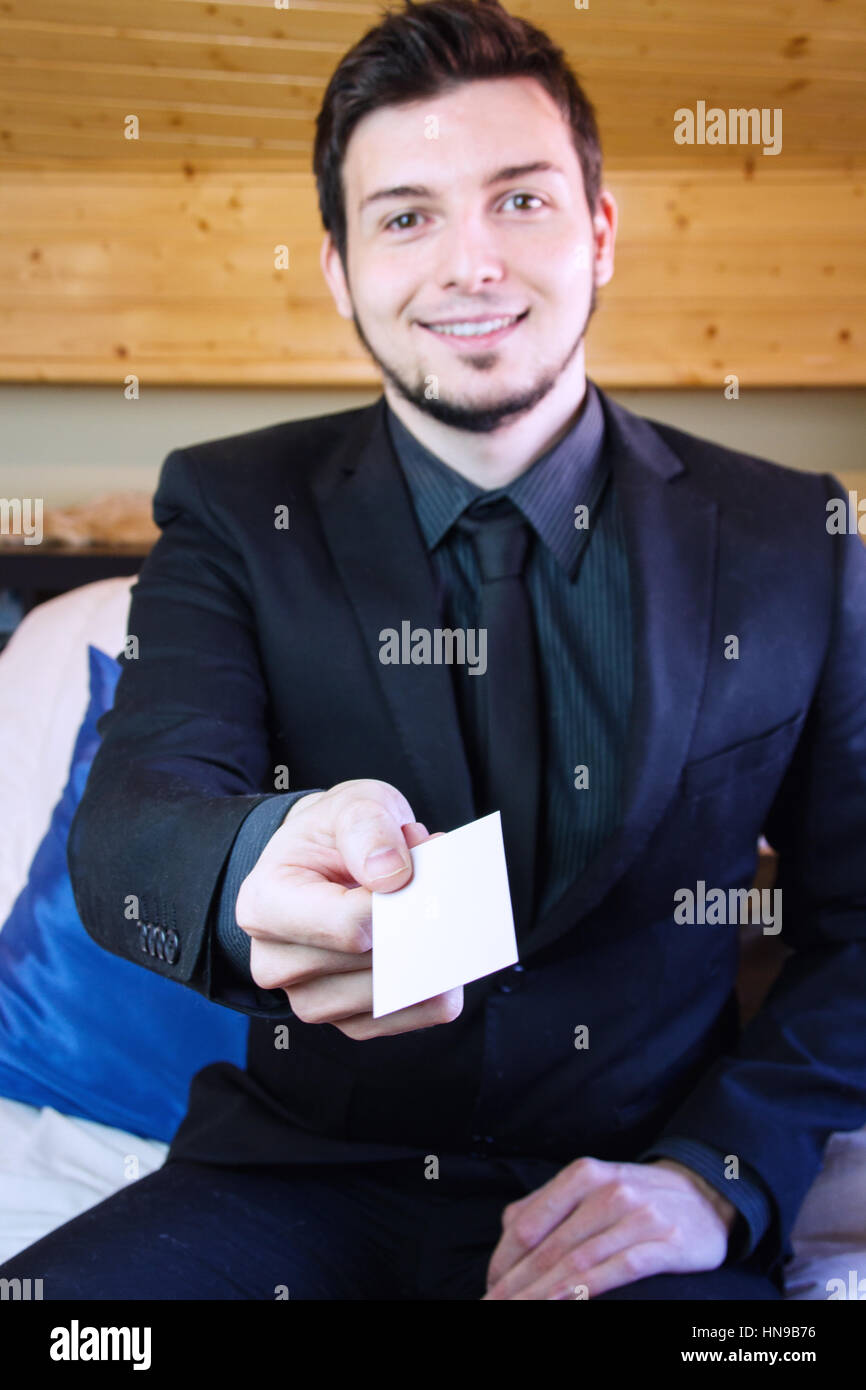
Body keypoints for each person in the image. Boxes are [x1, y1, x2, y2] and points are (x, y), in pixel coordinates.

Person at [3, 0, 864, 1301]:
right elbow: (134, 818)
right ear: (343, 268)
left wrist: (717, 1173)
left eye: (518, 200)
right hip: (290, 1179)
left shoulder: (793, 531)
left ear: (600, 230)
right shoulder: (233, 505)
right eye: (405, 214)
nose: (469, 262)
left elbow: (859, 928)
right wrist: (244, 862)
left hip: (630, 1195)